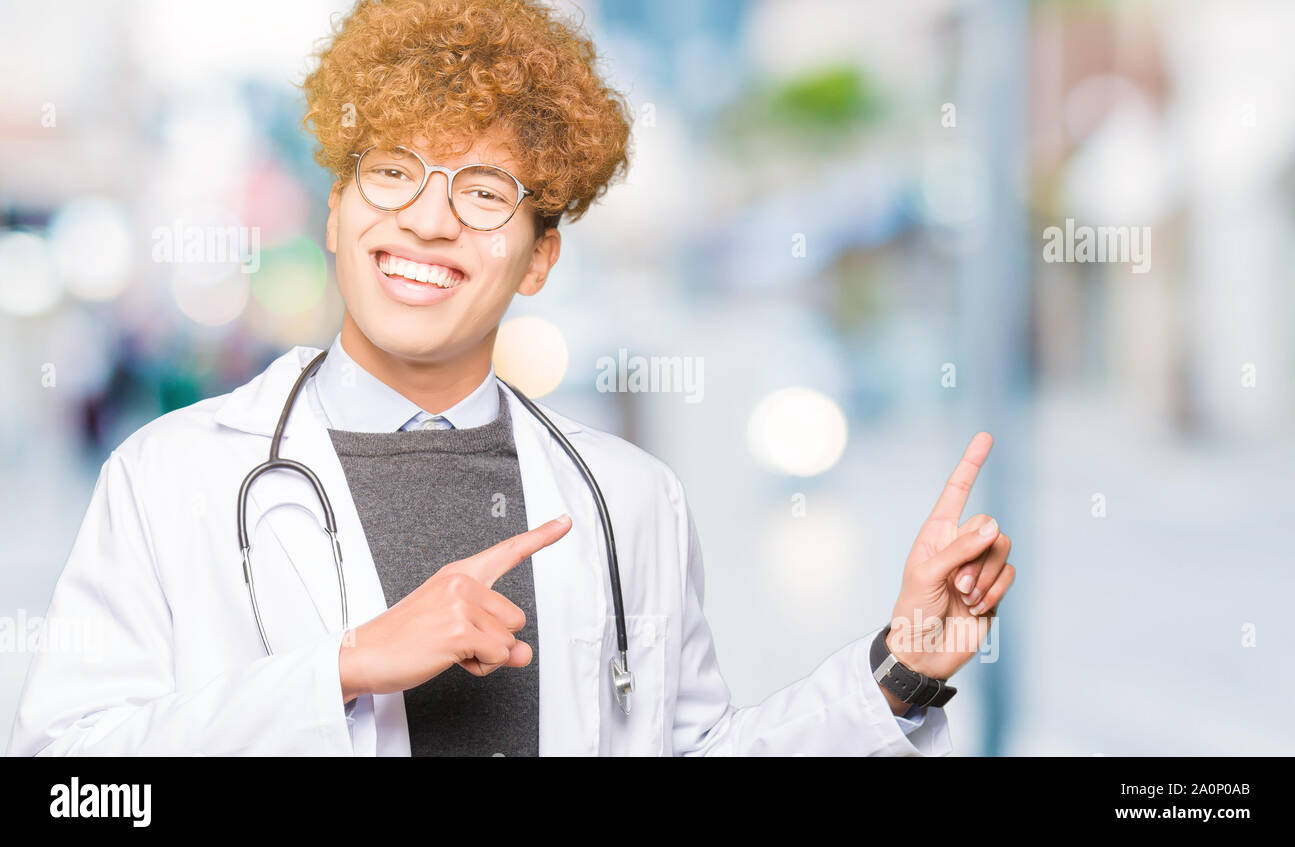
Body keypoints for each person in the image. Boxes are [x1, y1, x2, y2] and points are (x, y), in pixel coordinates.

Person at [7, 0, 1014, 756]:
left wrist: (904, 665)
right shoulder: (169, 477)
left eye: (483, 192)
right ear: (335, 209)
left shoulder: (626, 500)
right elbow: (75, 775)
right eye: (392, 171)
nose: (427, 220)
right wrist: (342, 669)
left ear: (539, 258)